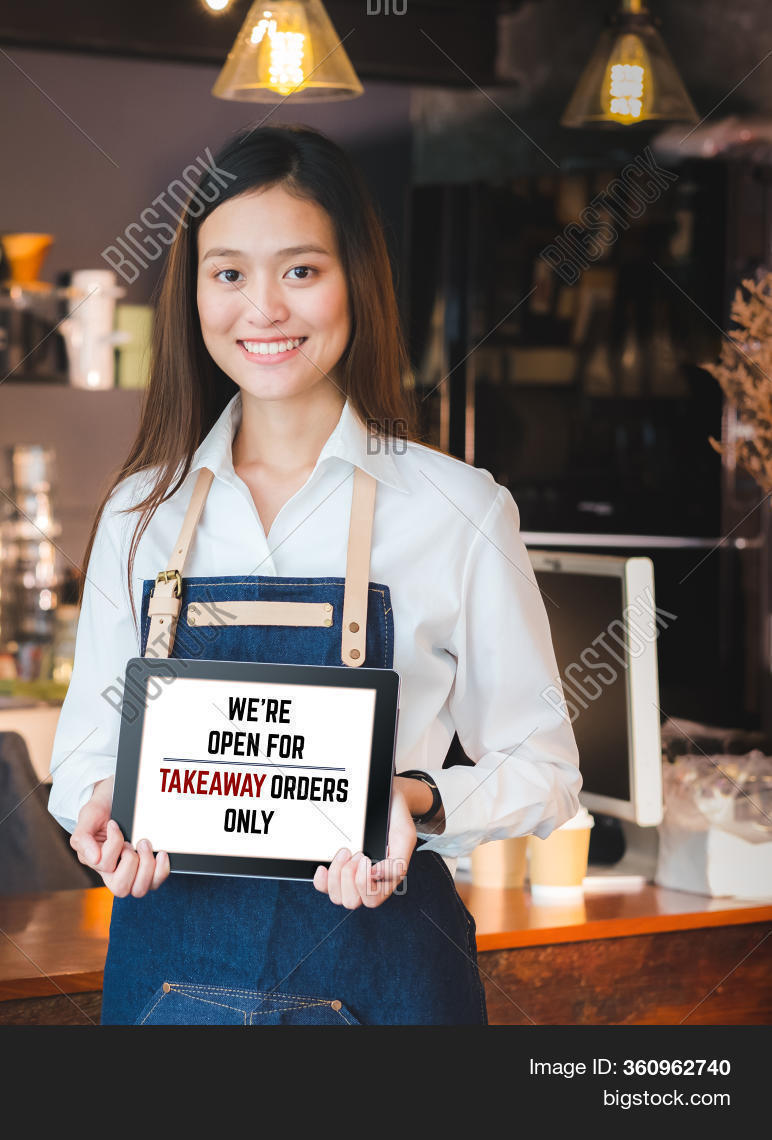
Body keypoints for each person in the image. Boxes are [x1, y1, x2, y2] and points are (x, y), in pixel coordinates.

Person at [47, 124, 582, 1025]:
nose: (263, 309)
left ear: (355, 282)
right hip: (169, 989)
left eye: (300, 270)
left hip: (388, 982)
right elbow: (79, 759)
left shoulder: (458, 508)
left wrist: (409, 799)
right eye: (228, 274)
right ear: (192, 294)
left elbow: (546, 766)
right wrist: (103, 807)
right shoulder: (144, 510)